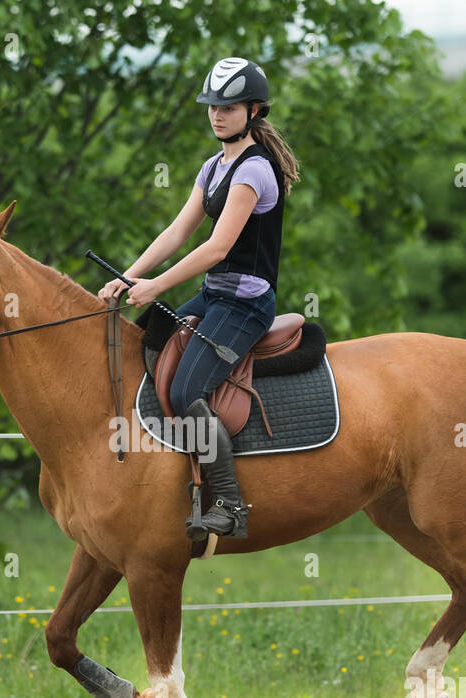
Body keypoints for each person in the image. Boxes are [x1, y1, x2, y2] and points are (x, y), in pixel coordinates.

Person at [98, 56, 301, 539]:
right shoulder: (214, 165)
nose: (217, 114)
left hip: (246, 304)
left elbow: (217, 247)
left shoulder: (255, 171)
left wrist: (157, 286)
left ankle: (230, 504)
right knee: (149, 335)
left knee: (189, 390)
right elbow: (177, 232)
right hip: (213, 296)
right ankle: (165, 464)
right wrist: (129, 277)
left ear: (253, 110)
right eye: (212, 105)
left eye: (229, 107)